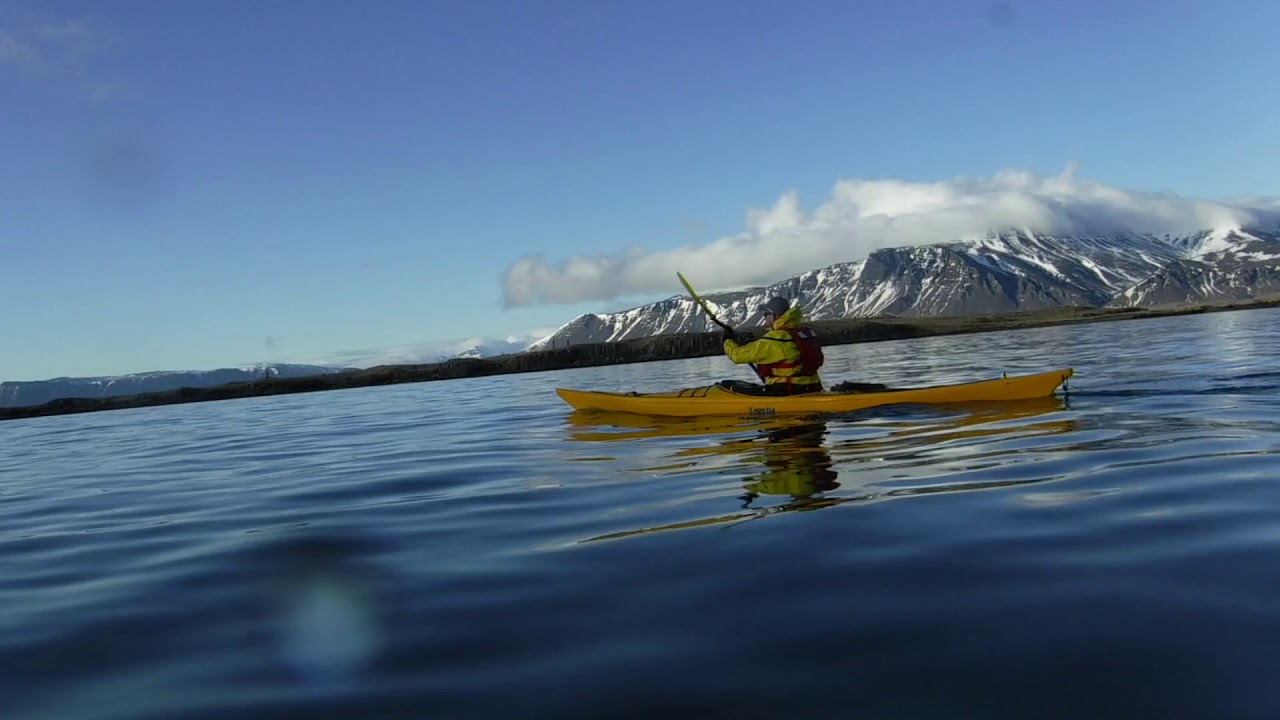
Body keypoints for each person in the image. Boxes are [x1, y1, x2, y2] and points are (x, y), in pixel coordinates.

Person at [721, 296, 825, 394]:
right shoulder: (802, 334)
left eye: (766, 314)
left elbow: (737, 356)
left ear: (773, 316)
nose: (765, 318)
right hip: (813, 386)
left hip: (786, 390)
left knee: (726, 386)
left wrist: (727, 340)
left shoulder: (775, 340)